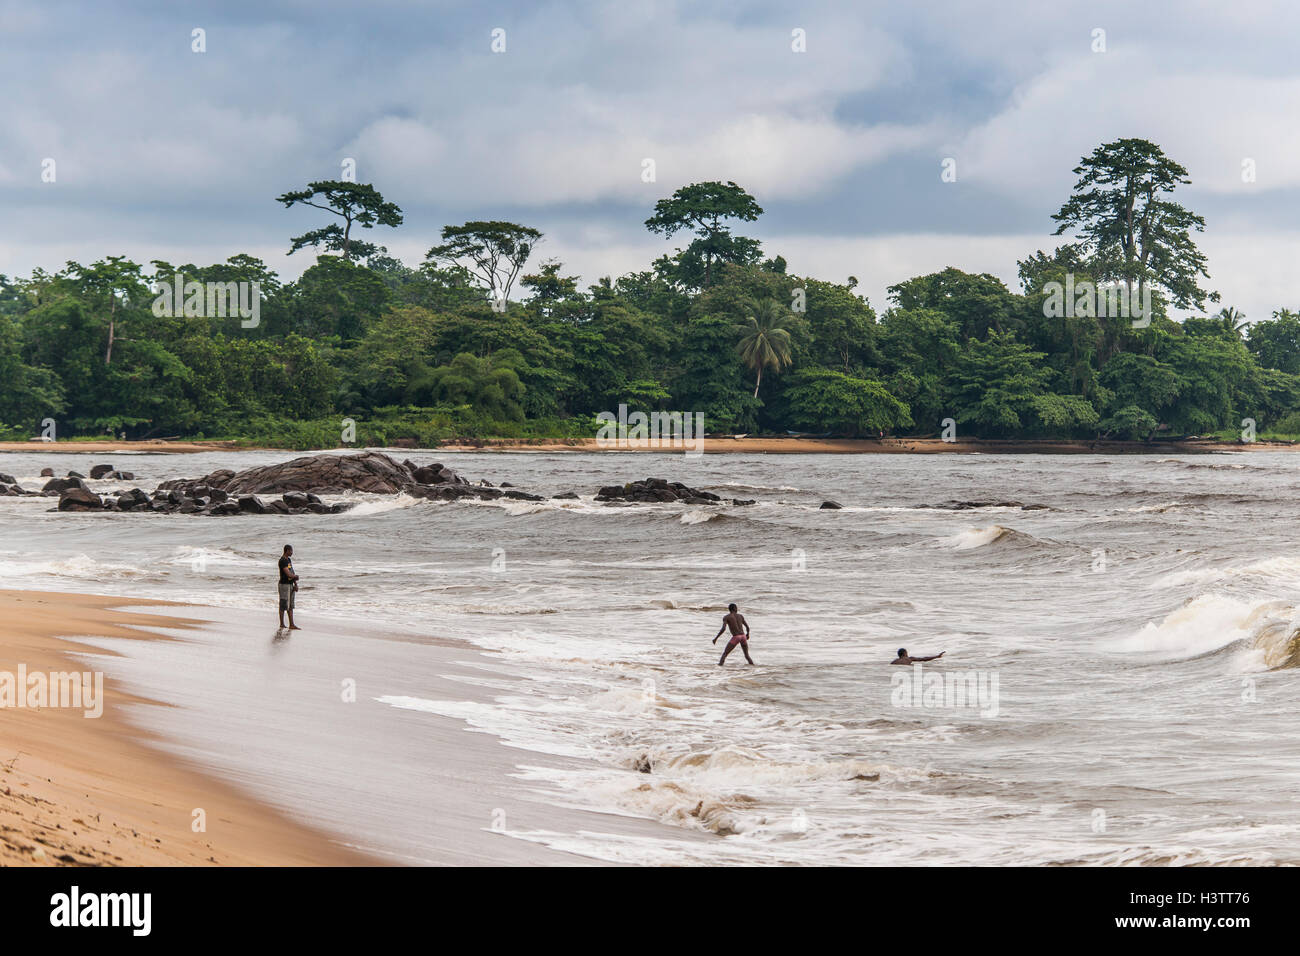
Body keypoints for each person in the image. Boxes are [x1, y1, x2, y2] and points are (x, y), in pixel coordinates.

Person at [278, 544, 300, 630]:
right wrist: (295, 577)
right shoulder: (282, 560)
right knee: (283, 604)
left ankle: (291, 624)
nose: (292, 552)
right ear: (287, 550)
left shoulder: (288, 560)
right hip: (284, 585)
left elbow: (291, 571)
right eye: (291, 551)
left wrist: (295, 584)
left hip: (290, 584)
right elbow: (287, 573)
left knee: (291, 605)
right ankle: (282, 624)